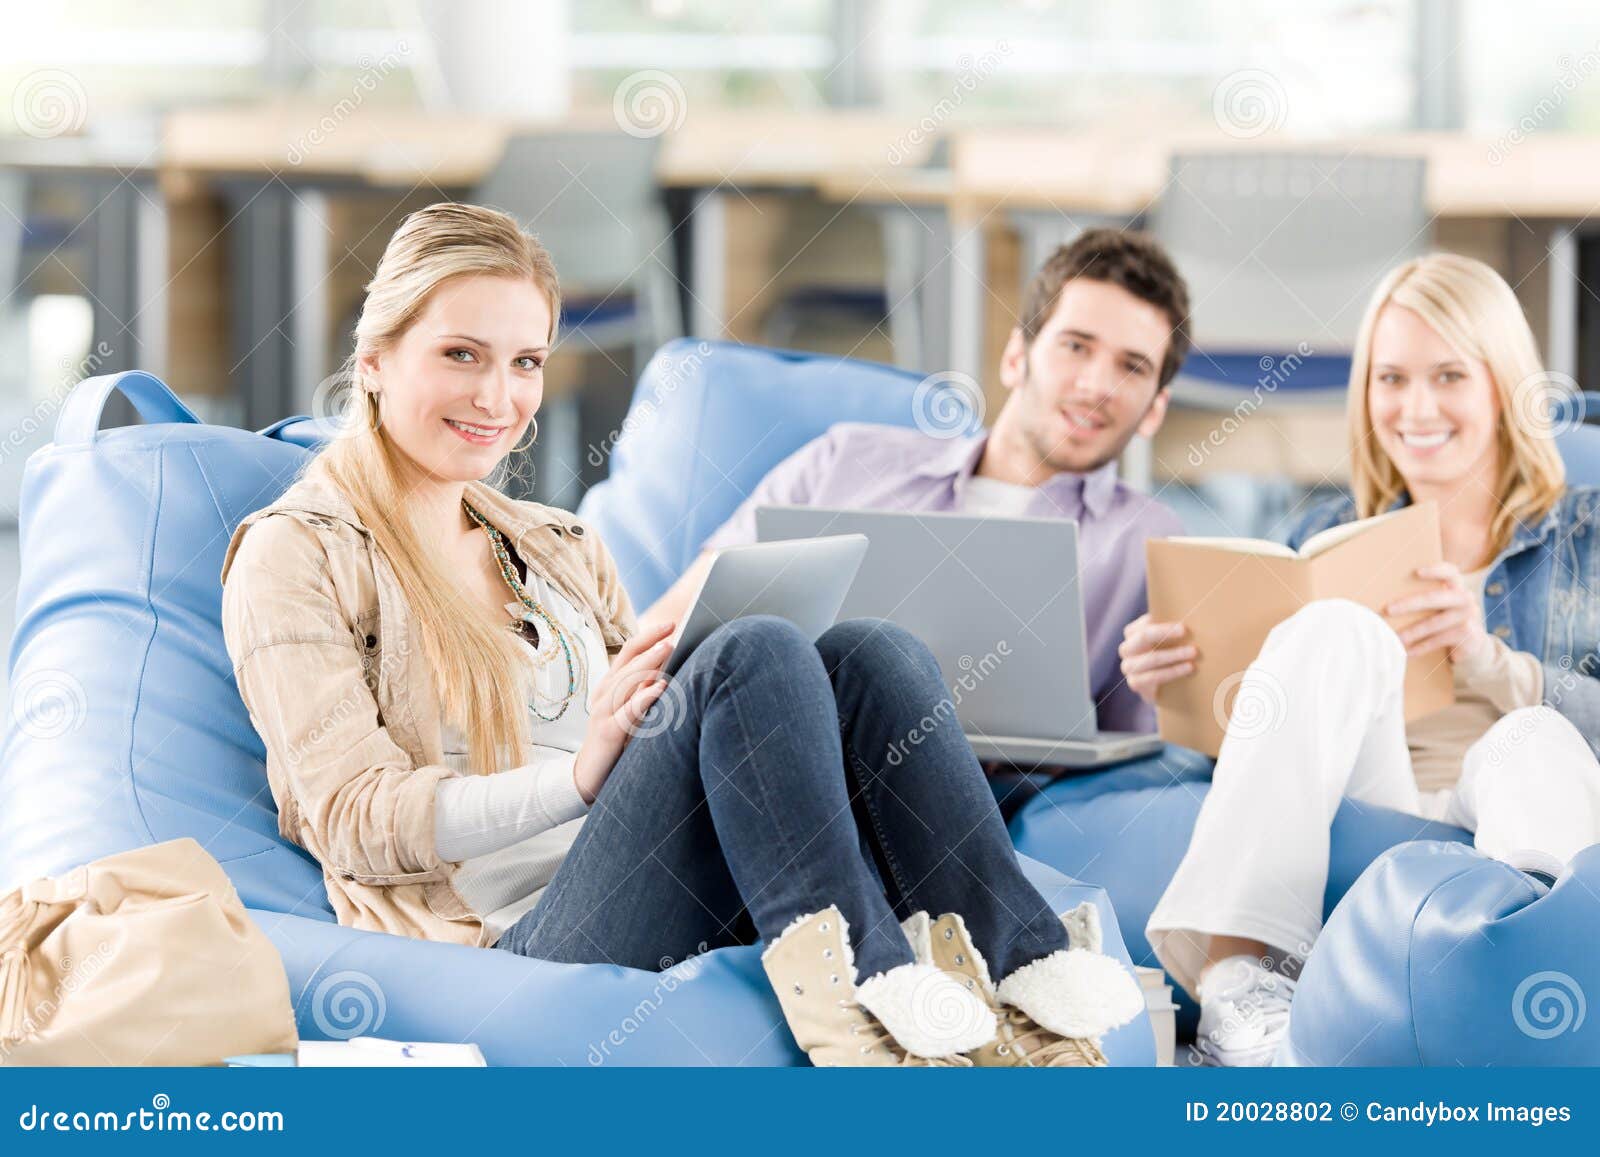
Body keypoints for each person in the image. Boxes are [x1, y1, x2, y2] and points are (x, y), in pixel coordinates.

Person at [221, 202, 1143, 1068]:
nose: (498, 397)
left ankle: (1024, 965)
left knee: (869, 652)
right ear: (375, 357)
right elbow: (351, 819)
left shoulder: (557, 542)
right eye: (461, 354)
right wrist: (577, 775)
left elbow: (660, 731)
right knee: (754, 652)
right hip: (518, 939)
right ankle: (861, 984)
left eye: (526, 362)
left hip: (654, 865)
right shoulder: (297, 553)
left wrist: (646, 724)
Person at [1119, 252, 1600, 1065]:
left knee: (1533, 737)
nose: (1416, 408)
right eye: (1391, 379)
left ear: (1503, 384)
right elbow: (1261, 765)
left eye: (1449, 375)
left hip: (1515, 804)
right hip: (1385, 801)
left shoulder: (1586, 534)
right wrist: (1179, 688)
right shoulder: (1330, 531)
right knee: (1334, 627)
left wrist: (1492, 664)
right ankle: (1240, 993)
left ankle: (1550, 982)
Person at [644, 228, 1192, 740]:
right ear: (1015, 357)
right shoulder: (846, 459)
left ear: (1155, 409)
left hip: (967, 793)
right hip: (777, 740)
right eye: (1076, 346)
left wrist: (1166, 699)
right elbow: (677, 621)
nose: (1097, 385)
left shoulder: (1151, 544)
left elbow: (1162, 753)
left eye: (1132, 367)